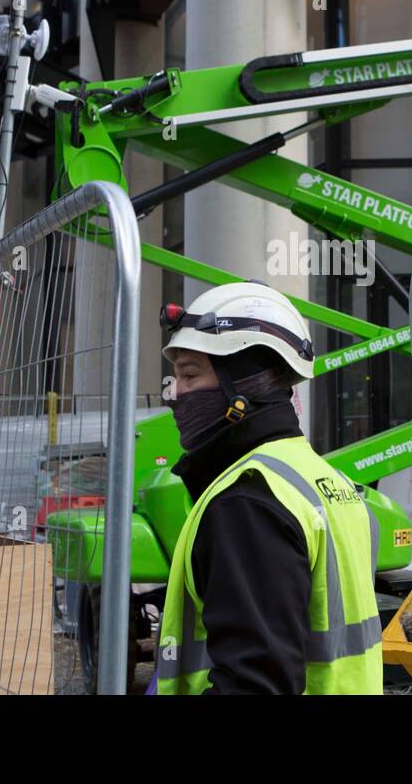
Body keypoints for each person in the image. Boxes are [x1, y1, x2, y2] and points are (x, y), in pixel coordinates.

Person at [154, 281, 383, 694]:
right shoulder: (327, 481)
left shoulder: (248, 501)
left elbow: (254, 685)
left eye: (190, 374)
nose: (177, 394)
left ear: (243, 385)